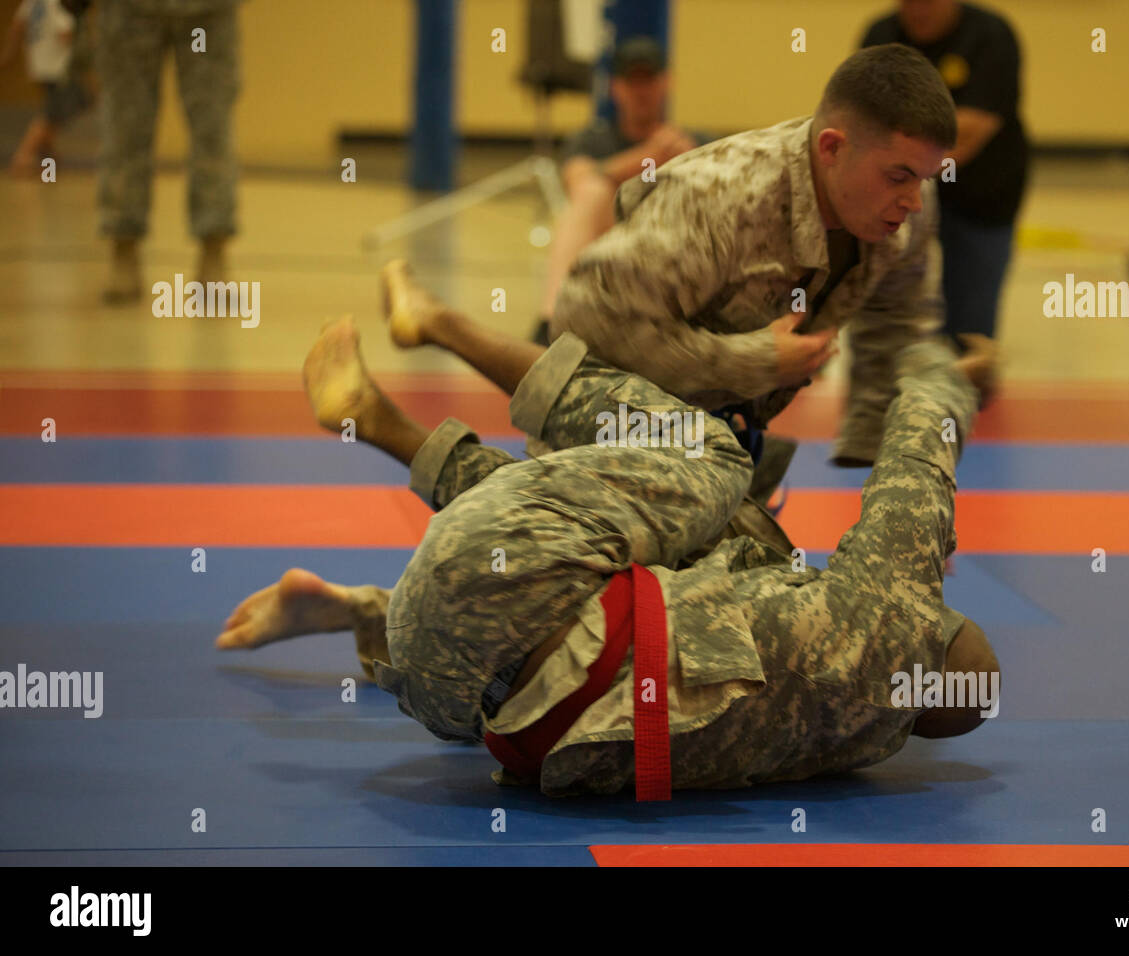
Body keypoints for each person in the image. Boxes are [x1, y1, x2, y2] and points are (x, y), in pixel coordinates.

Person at [216, 265, 1000, 798]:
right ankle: (368, 607)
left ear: (932, 643)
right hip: (467, 697)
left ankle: (438, 337)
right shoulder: (824, 742)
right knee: (587, 574)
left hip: (504, 597)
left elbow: (915, 479)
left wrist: (942, 385)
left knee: (708, 453)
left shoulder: (884, 630)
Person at [544, 43, 956, 480]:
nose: (913, 201)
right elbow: (585, 320)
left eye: (925, 177)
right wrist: (755, 361)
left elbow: (898, 323)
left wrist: (881, 466)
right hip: (606, 439)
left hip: (722, 442)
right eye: (898, 178)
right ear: (832, 148)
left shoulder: (910, 205)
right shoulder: (718, 199)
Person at [861, 0, 1029, 342]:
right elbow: (863, 122)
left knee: (969, 328)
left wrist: (894, 153)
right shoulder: (881, 37)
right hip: (897, 201)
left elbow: (965, 137)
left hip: (981, 198)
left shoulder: (990, 36)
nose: (918, 10)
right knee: (888, 323)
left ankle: (965, 390)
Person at [532, 36, 703, 345]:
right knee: (593, 190)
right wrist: (649, 156)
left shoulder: (694, 142)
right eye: (632, 81)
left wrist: (689, 163)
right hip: (608, 255)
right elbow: (578, 182)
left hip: (676, 259)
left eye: (649, 80)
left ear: (666, 83)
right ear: (615, 87)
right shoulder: (590, 141)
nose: (641, 91)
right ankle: (550, 321)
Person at [96, 0, 241, 304]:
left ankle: (213, 247)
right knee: (125, 126)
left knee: (212, 127)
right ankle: (123, 245)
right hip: (128, 10)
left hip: (209, 10)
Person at [1, 0, 87, 176]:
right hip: (58, 66)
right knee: (54, 111)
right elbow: (65, 32)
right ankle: (23, 156)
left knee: (54, 108)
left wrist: (8, 53)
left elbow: (18, 26)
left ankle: (47, 155)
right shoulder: (55, 3)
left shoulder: (31, 3)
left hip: (38, 63)